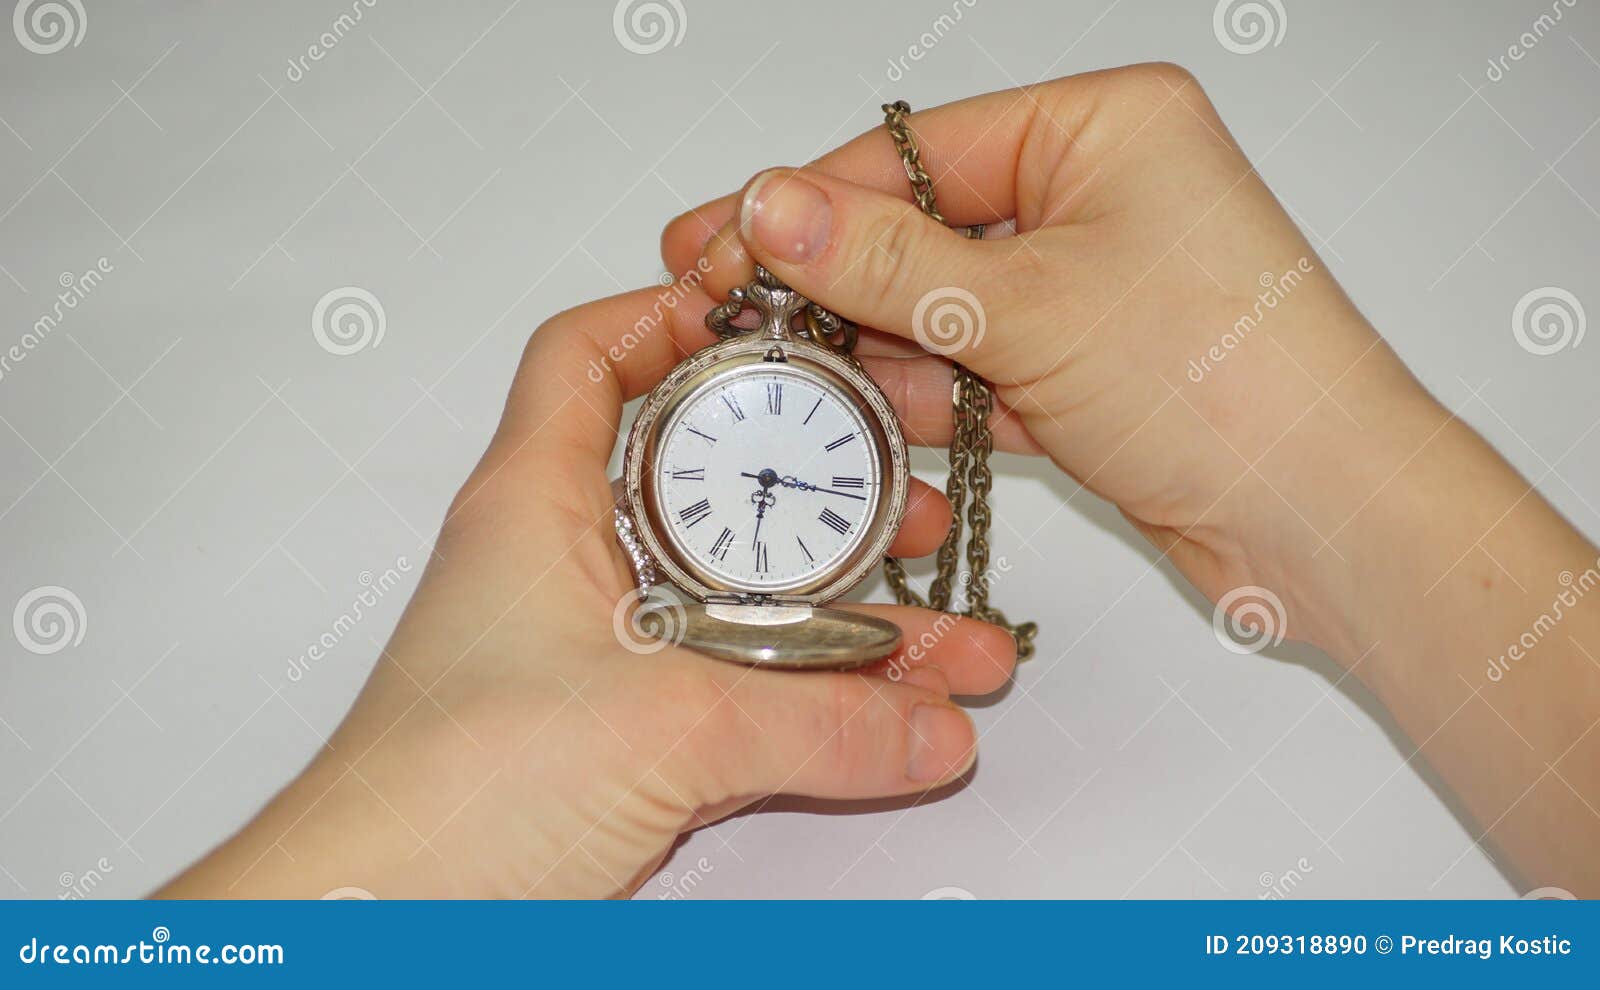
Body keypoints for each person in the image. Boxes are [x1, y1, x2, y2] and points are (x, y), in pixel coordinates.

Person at [158, 64, 1599, 899]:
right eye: (709, 474)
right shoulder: (713, 429)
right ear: (662, 472)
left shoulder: (804, 405)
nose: (754, 490)